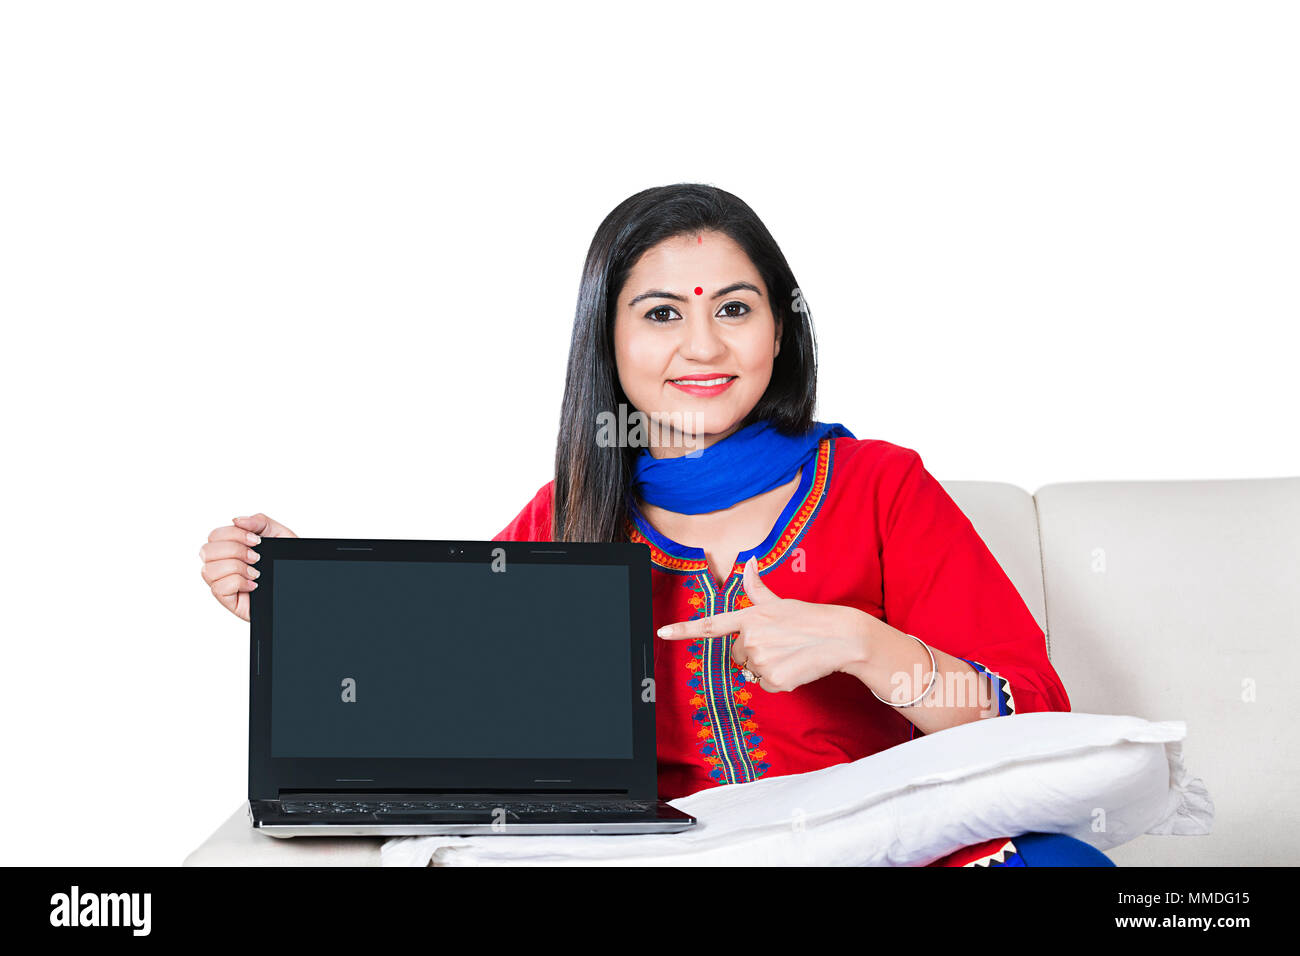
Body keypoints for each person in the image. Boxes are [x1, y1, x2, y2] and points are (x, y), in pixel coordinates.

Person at [198, 183, 1113, 867]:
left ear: (781, 331)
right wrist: (299, 603)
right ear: (609, 340)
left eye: (736, 309)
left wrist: (865, 646)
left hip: (885, 847)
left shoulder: (880, 485)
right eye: (663, 313)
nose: (704, 347)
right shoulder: (566, 518)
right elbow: (437, 691)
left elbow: (1032, 718)